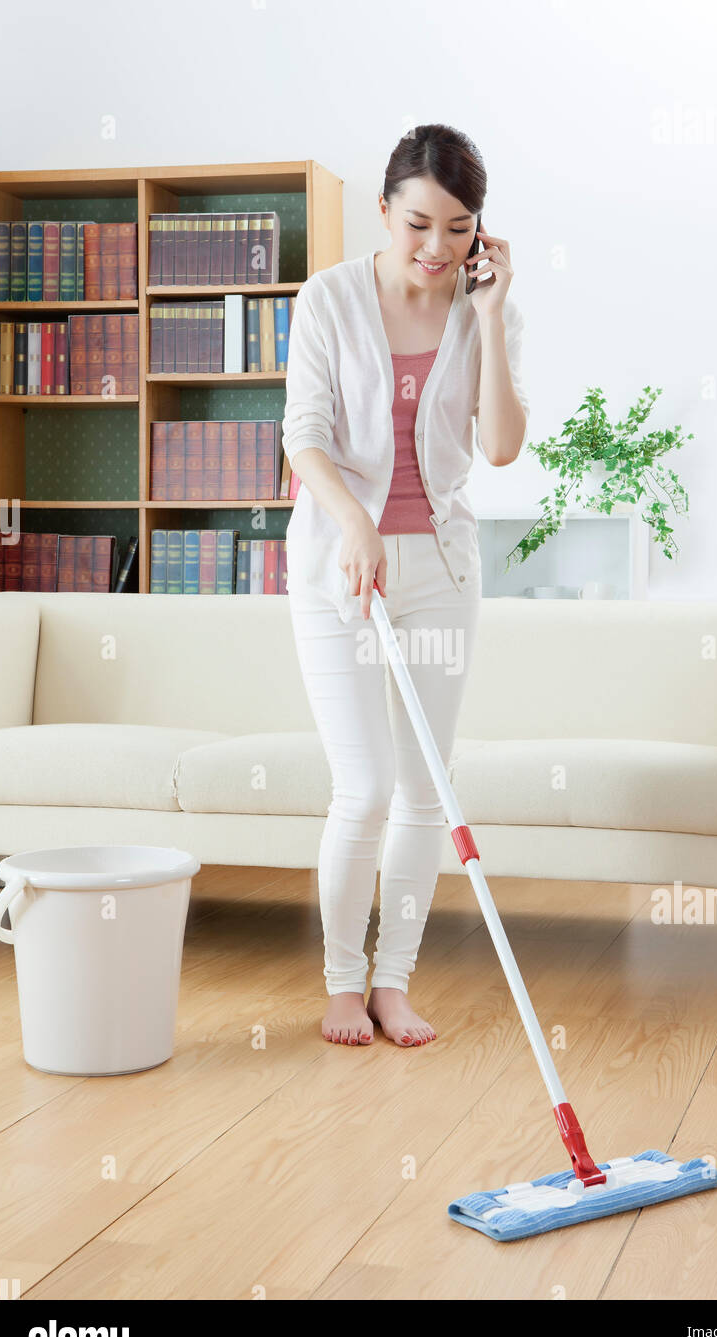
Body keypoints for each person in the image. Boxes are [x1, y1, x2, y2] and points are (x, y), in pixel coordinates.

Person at [281, 123, 530, 1048]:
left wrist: (496, 316)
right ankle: (343, 985)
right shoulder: (330, 299)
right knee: (366, 784)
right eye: (419, 223)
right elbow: (301, 433)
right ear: (383, 211)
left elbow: (500, 446)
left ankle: (394, 984)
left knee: (427, 791)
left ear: (481, 232)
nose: (437, 249)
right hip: (342, 572)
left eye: (460, 229)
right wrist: (353, 525)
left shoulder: (478, 306)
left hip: (440, 572)